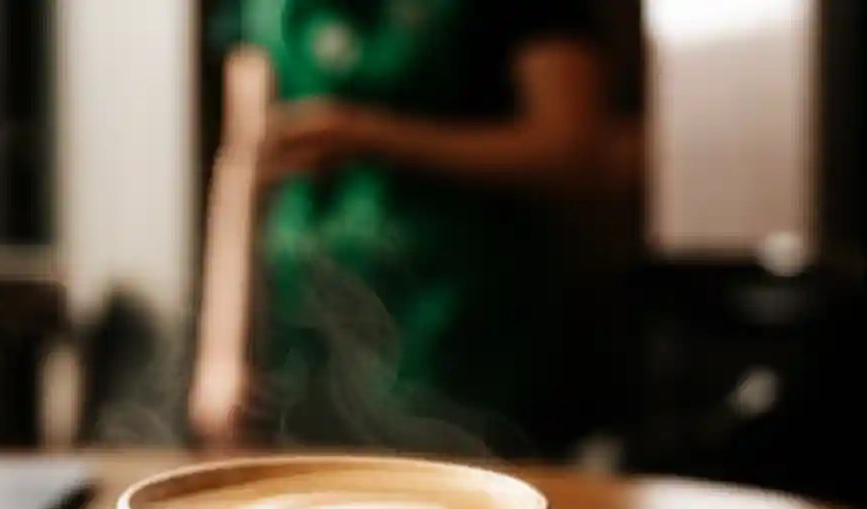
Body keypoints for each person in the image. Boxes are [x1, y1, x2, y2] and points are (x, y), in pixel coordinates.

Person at [191, 0, 622, 456]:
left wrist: (368, 135)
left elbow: (572, 151)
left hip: (466, 338)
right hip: (302, 328)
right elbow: (246, 154)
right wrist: (222, 353)